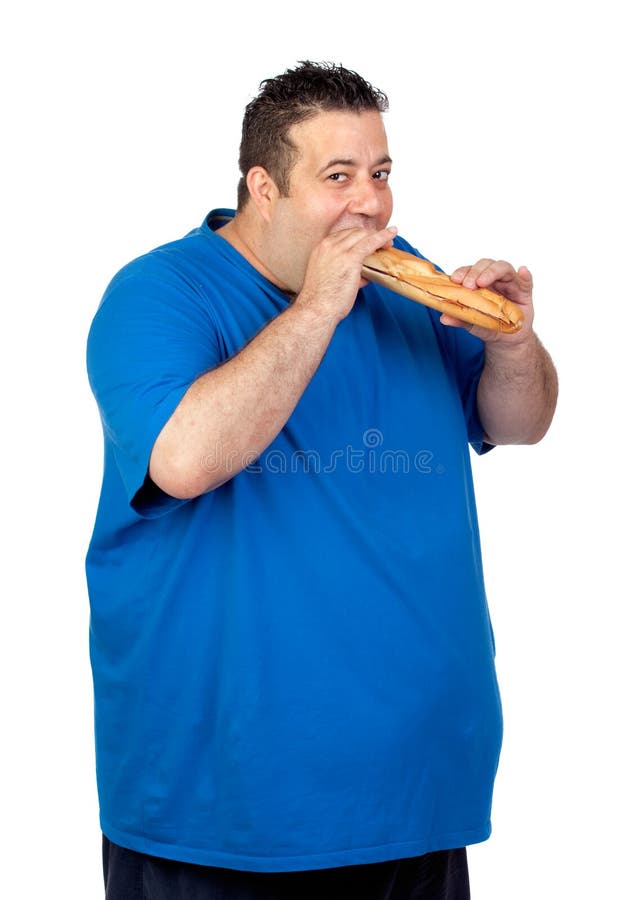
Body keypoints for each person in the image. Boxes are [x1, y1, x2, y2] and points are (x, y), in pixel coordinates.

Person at [86, 61, 557, 900]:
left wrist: (514, 344)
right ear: (262, 187)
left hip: (415, 791)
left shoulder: (407, 280)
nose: (370, 203)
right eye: (337, 176)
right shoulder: (157, 295)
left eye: (379, 173)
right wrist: (316, 309)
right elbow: (184, 460)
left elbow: (520, 424)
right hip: (222, 810)